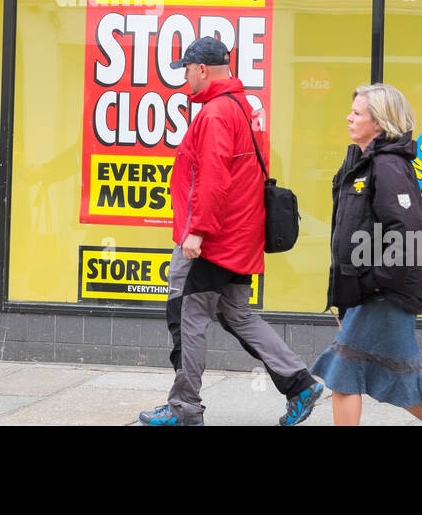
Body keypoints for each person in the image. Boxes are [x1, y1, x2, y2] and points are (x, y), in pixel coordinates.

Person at [137, 36, 324, 427]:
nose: (185, 77)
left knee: (185, 315)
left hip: (213, 241)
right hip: (239, 237)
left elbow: (214, 179)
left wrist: (197, 232)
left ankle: (182, 408)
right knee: (238, 314)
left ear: (202, 69)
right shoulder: (241, 107)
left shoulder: (215, 114)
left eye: (187, 69)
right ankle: (300, 384)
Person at [311, 83, 422, 426]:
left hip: (382, 294)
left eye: (358, 113)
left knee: (343, 371)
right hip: (368, 291)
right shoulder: (361, 162)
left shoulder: (388, 166)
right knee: (405, 382)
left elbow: (407, 235)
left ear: (378, 123)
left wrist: (372, 282)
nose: (349, 117)